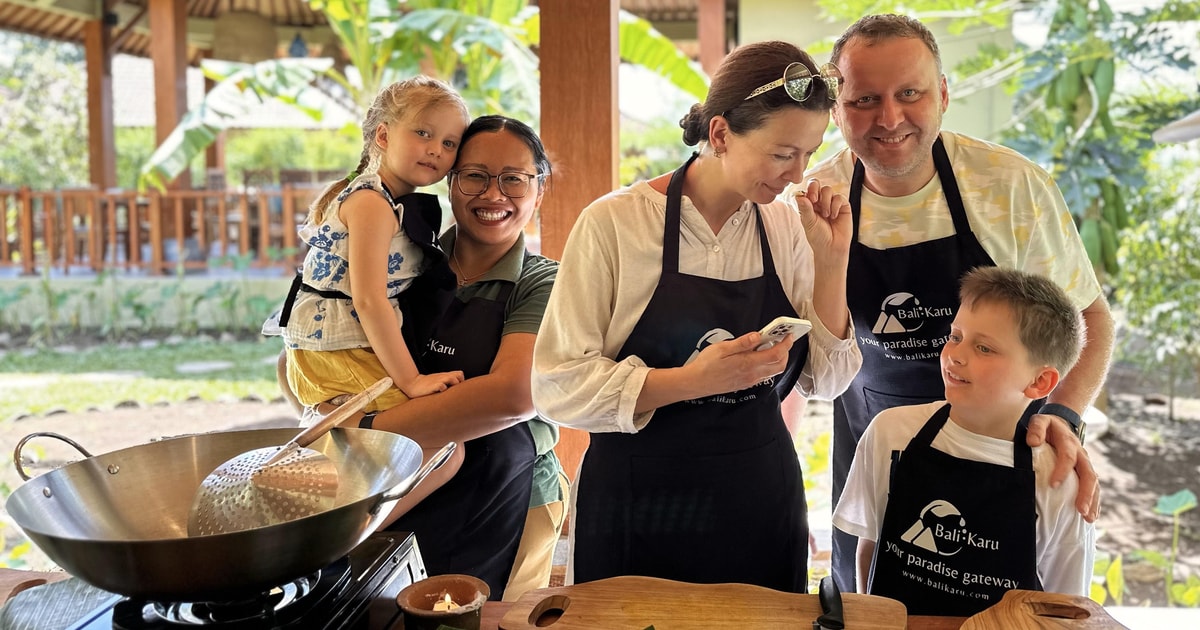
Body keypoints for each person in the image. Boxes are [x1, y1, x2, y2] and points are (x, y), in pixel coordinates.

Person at [797, 13, 1114, 591]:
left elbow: (1089, 320)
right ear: (837, 111)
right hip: (876, 453)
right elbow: (810, 358)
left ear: (943, 95)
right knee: (865, 600)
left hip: (999, 459)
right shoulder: (813, 203)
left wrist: (1061, 416)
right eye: (864, 99)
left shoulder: (1010, 187)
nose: (889, 119)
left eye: (910, 93)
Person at [531, 41, 863, 593]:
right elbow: (556, 386)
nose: (797, 174)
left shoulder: (785, 227)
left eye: (808, 154)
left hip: (758, 496)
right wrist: (692, 382)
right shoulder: (615, 224)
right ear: (720, 135)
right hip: (637, 502)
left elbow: (827, 381)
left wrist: (832, 264)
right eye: (783, 153)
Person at [319, 115, 562, 602]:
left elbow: (513, 396)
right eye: (475, 175)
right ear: (451, 184)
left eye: (514, 179)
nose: (494, 195)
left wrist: (357, 428)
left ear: (538, 192)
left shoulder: (544, 281)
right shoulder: (405, 263)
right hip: (402, 483)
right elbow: (322, 341)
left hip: (502, 493)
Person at [833, 266, 1095, 616]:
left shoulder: (1057, 481)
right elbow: (870, 546)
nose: (955, 354)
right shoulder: (890, 432)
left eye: (984, 348)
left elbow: (1065, 609)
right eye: (955, 336)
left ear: (1040, 382)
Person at [264, 76, 469, 414]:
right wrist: (412, 380)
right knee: (442, 444)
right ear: (384, 136)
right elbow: (370, 300)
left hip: (339, 350)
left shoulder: (387, 201)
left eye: (450, 144)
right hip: (338, 352)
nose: (436, 149)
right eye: (423, 133)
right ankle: (326, 425)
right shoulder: (372, 204)